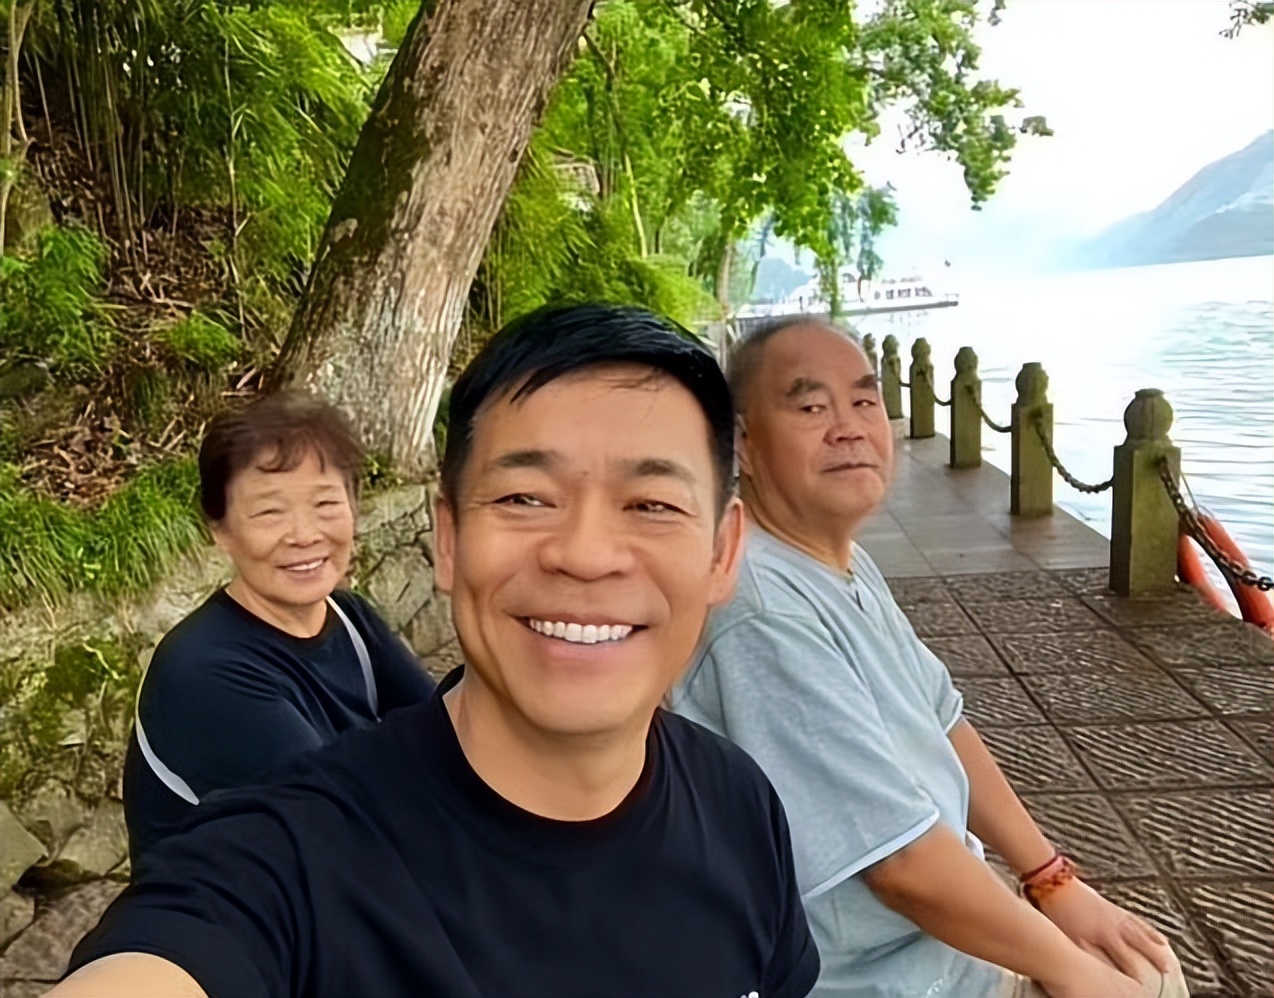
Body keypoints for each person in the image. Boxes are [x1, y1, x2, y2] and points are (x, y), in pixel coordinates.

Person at [50, 304, 819, 998]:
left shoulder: (740, 804)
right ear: (446, 539)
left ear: (724, 552)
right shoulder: (266, 811)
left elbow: (427, 711)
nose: (585, 555)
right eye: (525, 498)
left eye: (651, 504)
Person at [669, 320, 1189, 998]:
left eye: (863, 401)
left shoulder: (837, 559)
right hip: (875, 976)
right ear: (743, 441)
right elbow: (903, 866)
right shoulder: (761, 612)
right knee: (1146, 982)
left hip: (936, 946)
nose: (849, 428)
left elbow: (943, 719)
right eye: (811, 407)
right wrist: (1075, 974)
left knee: (1146, 963)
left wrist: (1053, 881)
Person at [123, 391, 436, 863]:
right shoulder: (203, 672)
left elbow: (451, 739)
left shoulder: (348, 617)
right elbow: (346, 826)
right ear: (219, 529)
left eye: (325, 503)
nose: (304, 534)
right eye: (270, 512)